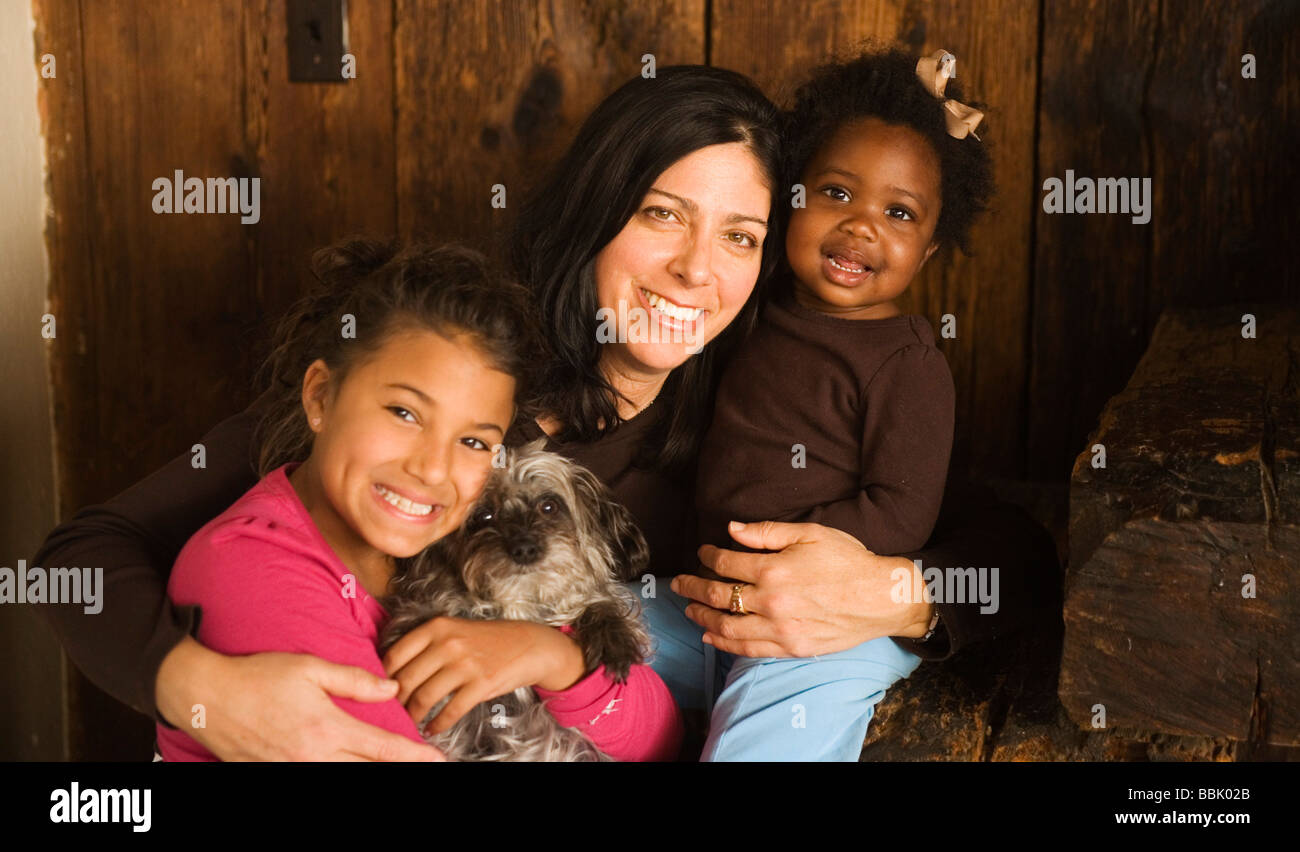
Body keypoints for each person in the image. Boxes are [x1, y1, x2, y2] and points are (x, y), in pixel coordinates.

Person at [34, 64, 1058, 761]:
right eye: (662, 214)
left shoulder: (762, 376)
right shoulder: (447, 374)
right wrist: (198, 687)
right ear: (597, 207)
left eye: (741, 236)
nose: (698, 271)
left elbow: (1009, 543)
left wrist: (899, 594)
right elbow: (85, 551)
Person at [155, 240, 681, 761]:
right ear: (320, 396)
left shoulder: (445, 548)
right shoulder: (252, 569)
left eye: (474, 441)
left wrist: (552, 656)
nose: (432, 468)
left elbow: (658, 735)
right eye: (404, 413)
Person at [643, 45, 993, 760]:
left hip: (837, 624)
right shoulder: (747, 309)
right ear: (789, 199)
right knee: (589, 625)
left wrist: (789, 553)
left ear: (927, 252)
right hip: (713, 597)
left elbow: (902, 510)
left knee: (767, 739)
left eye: (898, 212)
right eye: (836, 193)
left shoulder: (907, 362)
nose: (862, 225)